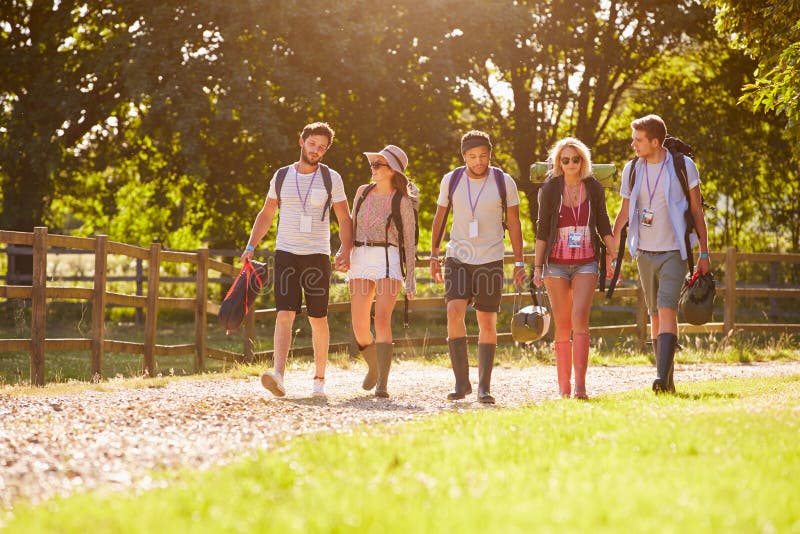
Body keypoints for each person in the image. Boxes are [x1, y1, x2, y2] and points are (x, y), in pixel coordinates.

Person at [241, 122, 352, 398]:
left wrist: (345, 249)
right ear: (301, 141)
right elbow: (266, 214)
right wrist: (251, 245)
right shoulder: (281, 176)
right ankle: (278, 374)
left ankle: (319, 379)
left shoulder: (331, 178)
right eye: (313, 144)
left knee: (318, 317)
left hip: (316, 255)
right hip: (286, 253)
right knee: (284, 313)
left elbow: (344, 218)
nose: (316, 151)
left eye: (322, 148)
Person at [612, 114, 711, 394]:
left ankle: (658, 378)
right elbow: (624, 210)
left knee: (667, 307)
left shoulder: (682, 166)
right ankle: (666, 381)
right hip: (644, 251)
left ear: (655, 142)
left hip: (674, 251)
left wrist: (704, 253)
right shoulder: (631, 169)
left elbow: (696, 210)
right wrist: (610, 242)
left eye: (638, 139)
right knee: (655, 314)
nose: (633, 144)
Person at [430, 130, 526, 404]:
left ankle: (484, 386)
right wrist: (434, 255)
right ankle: (462, 383)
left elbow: (515, 224)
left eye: (483, 155)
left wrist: (519, 262)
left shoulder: (502, 181)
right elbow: (440, 218)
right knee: (453, 311)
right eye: (472, 156)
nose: (479, 161)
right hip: (458, 257)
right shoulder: (452, 180)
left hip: (490, 258)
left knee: (486, 320)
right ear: (464, 157)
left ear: (490, 154)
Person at [532, 137, 616, 399]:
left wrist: (613, 257)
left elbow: (604, 224)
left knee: (580, 317)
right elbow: (542, 230)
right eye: (565, 159)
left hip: (587, 261)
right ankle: (563, 387)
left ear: (583, 161)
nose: (570, 164)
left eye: (575, 159)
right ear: (558, 162)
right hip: (555, 264)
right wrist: (537, 267)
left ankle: (580, 386)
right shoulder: (549, 189)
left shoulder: (593, 188)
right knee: (562, 323)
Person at [347, 145, 417, 398]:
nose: (373, 168)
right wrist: (343, 252)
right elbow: (351, 225)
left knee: (382, 318)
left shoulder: (403, 201)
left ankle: (383, 383)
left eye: (379, 165)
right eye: (373, 164)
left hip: (388, 258)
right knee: (359, 324)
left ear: (392, 170)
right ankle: (374, 365)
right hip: (361, 256)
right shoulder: (362, 192)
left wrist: (410, 278)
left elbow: (410, 241)